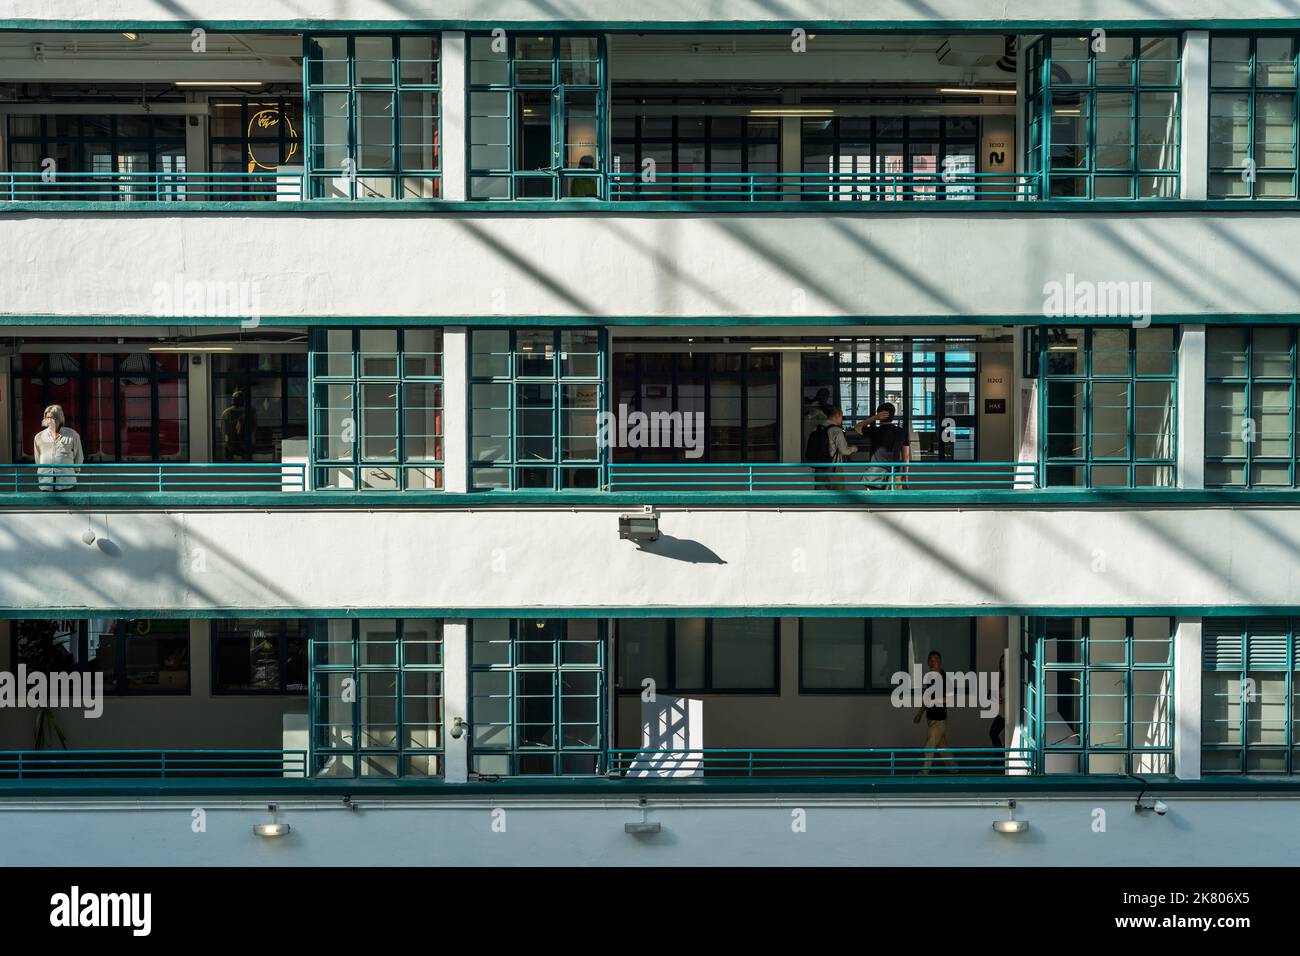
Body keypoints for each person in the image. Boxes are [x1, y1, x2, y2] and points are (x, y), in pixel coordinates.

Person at [913, 650, 956, 773]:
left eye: (935, 660)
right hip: (930, 718)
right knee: (942, 747)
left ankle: (923, 772)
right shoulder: (930, 678)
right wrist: (919, 714)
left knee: (929, 746)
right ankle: (955, 770)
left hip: (939, 720)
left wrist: (936, 699)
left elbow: (951, 698)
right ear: (928, 662)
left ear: (940, 662)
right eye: (930, 660)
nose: (933, 662)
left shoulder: (944, 678)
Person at [33, 404, 84, 492]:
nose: (49, 421)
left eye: (53, 418)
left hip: (67, 484)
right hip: (46, 484)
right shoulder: (39, 437)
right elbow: (38, 460)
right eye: (47, 418)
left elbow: (79, 457)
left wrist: (74, 474)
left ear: (60, 419)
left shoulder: (72, 435)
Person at [860, 402, 910, 489]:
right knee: (894, 501)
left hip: (875, 476)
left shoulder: (874, 431)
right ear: (893, 415)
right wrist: (905, 477)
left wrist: (874, 417)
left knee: (874, 501)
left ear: (880, 416)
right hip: (894, 475)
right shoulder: (902, 432)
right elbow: (906, 457)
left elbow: (857, 427)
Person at [804, 406, 856, 489]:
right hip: (834, 469)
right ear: (837, 415)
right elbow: (844, 451)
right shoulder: (837, 430)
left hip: (818, 469)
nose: (842, 420)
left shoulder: (816, 429)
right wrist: (853, 449)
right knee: (840, 496)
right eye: (841, 417)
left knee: (821, 498)